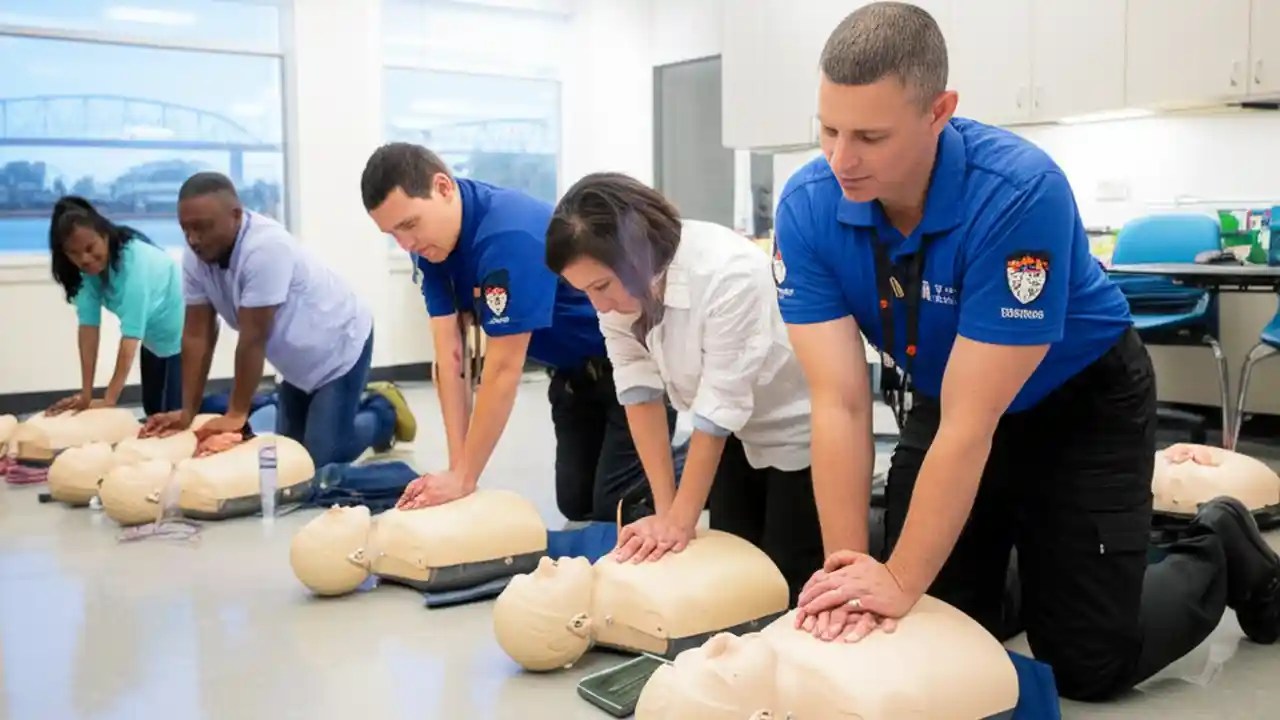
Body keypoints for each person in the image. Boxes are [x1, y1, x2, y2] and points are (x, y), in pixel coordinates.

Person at [775, 2, 1280, 702]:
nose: (840, 159)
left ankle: (1217, 545)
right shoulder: (806, 207)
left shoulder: (1019, 194)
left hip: (1079, 400)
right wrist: (849, 568)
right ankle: (1030, 568)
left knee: (1086, 663)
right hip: (947, 391)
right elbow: (839, 401)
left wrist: (896, 577)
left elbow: (972, 426)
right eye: (828, 129)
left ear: (938, 111)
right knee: (937, 621)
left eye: (870, 135)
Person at [545, 172, 823, 603]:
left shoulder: (727, 273)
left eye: (601, 287)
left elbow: (720, 406)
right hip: (735, 435)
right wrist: (665, 511)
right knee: (737, 573)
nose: (598, 304)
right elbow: (638, 392)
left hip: (801, 427)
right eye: (585, 292)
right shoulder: (622, 289)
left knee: (790, 578)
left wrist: (680, 521)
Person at [361, 143, 660, 520]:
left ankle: (694, 465)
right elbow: (450, 357)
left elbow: (502, 370)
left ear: (442, 188)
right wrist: (458, 470)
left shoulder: (508, 234)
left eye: (409, 225)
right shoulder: (429, 247)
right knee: (576, 504)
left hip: (629, 365)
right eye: (393, 234)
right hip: (572, 378)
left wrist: (466, 476)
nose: (406, 244)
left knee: (613, 507)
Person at [140, 172, 409, 468]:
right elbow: (197, 336)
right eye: (185, 229)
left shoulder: (265, 248)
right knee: (288, 463)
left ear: (235, 215)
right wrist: (187, 412)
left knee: (318, 463)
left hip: (339, 346)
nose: (193, 239)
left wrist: (236, 415)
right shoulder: (195, 259)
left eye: (202, 228)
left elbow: (253, 338)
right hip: (294, 362)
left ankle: (383, 414)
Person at [46, 196, 184, 417]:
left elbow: (130, 338)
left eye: (90, 248)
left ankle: (245, 405)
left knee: (175, 415)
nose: (85, 259)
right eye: (74, 253)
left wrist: (109, 400)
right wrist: (86, 395)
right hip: (153, 337)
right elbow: (88, 330)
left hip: (184, 331)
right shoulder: (87, 275)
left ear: (105, 234)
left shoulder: (135, 263)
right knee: (154, 411)